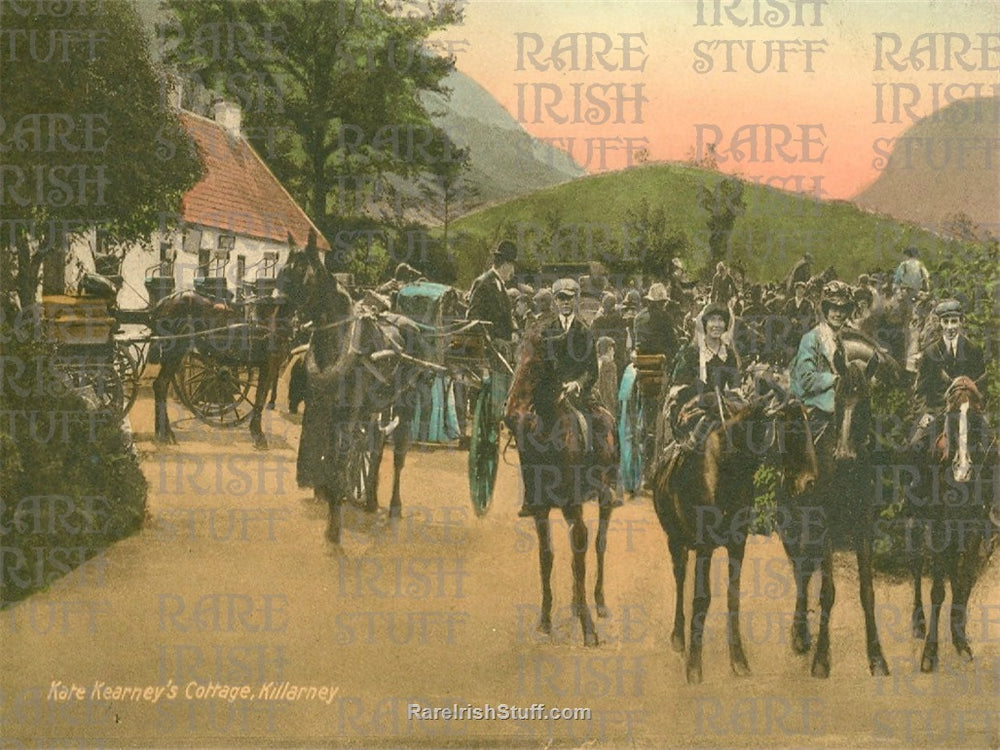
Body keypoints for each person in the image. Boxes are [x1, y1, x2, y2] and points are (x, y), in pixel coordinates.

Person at [519, 278, 620, 516]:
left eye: (569, 298)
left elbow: (591, 370)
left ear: (575, 301)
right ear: (555, 301)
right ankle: (531, 494)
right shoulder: (545, 330)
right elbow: (536, 364)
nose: (565, 303)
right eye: (561, 298)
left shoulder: (585, 331)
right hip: (548, 393)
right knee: (526, 428)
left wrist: (577, 384)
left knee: (603, 423)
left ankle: (603, 483)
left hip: (576, 394)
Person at [668, 302, 742, 447]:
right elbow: (678, 390)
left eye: (721, 320)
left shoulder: (729, 354)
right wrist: (699, 392)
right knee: (702, 429)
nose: (717, 325)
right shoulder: (692, 353)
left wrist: (730, 398)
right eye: (712, 320)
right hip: (692, 407)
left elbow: (735, 387)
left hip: (719, 406)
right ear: (705, 323)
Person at [789, 280, 854, 435]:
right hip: (815, 408)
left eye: (842, 309)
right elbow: (806, 379)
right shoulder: (811, 338)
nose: (838, 314)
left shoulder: (842, 339)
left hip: (840, 406)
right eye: (834, 308)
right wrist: (835, 380)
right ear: (826, 310)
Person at [912, 298, 986, 432]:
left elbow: (981, 385)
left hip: (968, 410)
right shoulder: (930, 353)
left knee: (990, 442)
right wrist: (925, 413)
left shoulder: (973, 350)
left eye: (954, 321)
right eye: (946, 322)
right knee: (916, 443)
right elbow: (920, 391)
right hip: (937, 412)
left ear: (961, 321)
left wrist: (977, 406)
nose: (950, 327)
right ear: (940, 323)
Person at [467, 240, 517, 342]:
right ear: (504, 265)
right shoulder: (484, 283)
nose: (513, 271)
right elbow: (473, 316)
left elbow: (506, 315)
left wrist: (514, 331)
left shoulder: (499, 284)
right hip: (489, 347)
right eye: (512, 266)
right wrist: (489, 338)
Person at [633, 283, 679, 357]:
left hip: (641, 355)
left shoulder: (639, 316)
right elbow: (672, 341)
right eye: (663, 303)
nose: (665, 305)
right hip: (660, 357)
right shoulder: (665, 317)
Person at [590, 291, 628, 377]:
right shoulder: (620, 320)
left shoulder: (597, 320)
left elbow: (592, 338)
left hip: (600, 358)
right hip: (617, 359)